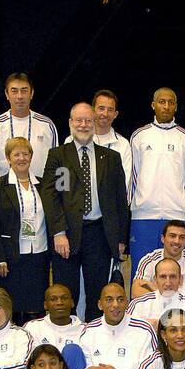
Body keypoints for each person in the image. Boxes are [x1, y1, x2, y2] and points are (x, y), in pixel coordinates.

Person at [42, 103, 131, 320]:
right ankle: (66, 337)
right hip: (67, 234)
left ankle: (94, 336)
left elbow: (120, 200)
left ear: (94, 123)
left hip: (100, 234)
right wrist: (59, 232)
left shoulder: (111, 157)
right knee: (65, 292)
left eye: (88, 121)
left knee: (97, 292)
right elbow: (52, 196)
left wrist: (120, 238)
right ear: (71, 123)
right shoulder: (59, 156)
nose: (83, 125)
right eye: (78, 120)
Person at [70, 281, 158, 369]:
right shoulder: (89, 330)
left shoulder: (144, 329)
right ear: (100, 305)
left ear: (127, 303)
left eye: (120, 299)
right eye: (109, 299)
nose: (115, 305)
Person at [0, 136, 50, 323]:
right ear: (8, 158)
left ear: (31, 157)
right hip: (10, 255)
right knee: (12, 305)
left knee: (36, 303)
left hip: (39, 252)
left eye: (25, 154)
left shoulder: (43, 184)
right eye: (16, 154)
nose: (21, 158)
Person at [129, 87, 185, 259]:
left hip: (176, 215)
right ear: (153, 105)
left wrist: (178, 199)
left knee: (173, 274)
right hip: (143, 217)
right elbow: (132, 177)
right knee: (141, 274)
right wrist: (141, 202)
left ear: (176, 107)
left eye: (170, 102)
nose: (166, 106)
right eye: (161, 102)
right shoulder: (139, 136)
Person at [0, 72, 59, 179]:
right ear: (6, 94)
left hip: (41, 192)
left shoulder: (47, 125)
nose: (19, 96)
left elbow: (56, 165)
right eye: (14, 91)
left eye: (24, 90)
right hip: (5, 193)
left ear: (31, 94)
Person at [125, 257, 185, 340]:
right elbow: (125, 330)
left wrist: (162, 327)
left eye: (173, 276)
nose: (168, 283)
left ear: (180, 280)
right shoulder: (138, 303)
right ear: (155, 280)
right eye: (163, 277)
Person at [131, 219, 185, 298]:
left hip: (184, 308)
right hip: (156, 308)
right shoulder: (149, 260)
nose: (177, 241)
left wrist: (156, 290)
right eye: (172, 236)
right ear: (163, 239)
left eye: (182, 237)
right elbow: (135, 292)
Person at [24, 283, 85, 360]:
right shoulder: (32, 327)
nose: (59, 303)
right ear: (45, 305)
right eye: (53, 299)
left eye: (64, 298)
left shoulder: (86, 330)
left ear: (72, 303)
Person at [91, 89, 133, 201]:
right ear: (92, 110)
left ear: (115, 114)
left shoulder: (123, 145)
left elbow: (124, 184)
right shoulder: (72, 140)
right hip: (79, 211)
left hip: (109, 212)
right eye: (101, 108)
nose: (105, 114)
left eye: (110, 110)